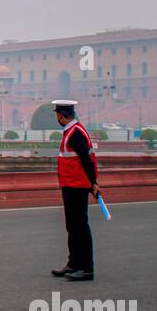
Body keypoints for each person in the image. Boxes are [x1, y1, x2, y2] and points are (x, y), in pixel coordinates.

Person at [50, 99, 99, 282]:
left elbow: (87, 160)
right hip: (70, 185)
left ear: (61, 115)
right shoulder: (71, 131)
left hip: (78, 185)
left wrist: (93, 183)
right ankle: (73, 263)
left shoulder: (76, 132)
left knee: (80, 227)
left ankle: (86, 268)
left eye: (57, 114)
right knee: (72, 226)